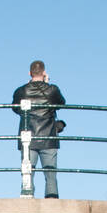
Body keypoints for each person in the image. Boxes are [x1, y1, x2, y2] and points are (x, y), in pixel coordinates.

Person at [12, 60, 66, 199]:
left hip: (28, 137)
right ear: (44, 73)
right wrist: (47, 84)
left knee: (28, 173)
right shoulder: (52, 90)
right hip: (48, 137)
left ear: (30, 73)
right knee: (50, 175)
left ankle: (27, 201)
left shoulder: (21, 91)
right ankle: (52, 203)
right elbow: (61, 103)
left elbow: (15, 108)